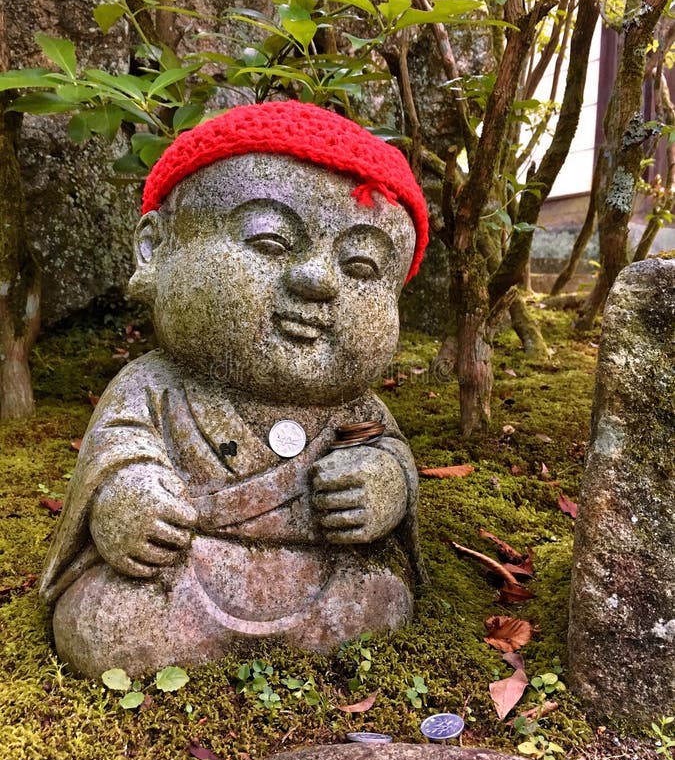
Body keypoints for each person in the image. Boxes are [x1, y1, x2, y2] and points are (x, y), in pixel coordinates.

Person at [40, 101, 429, 677]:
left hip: (321, 578)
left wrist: (386, 484)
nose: (317, 280)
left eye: (361, 266)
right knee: (108, 623)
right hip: (180, 576)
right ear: (155, 249)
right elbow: (116, 451)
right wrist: (126, 498)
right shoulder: (154, 385)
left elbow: (387, 454)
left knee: (379, 601)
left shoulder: (354, 409)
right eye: (271, 242)